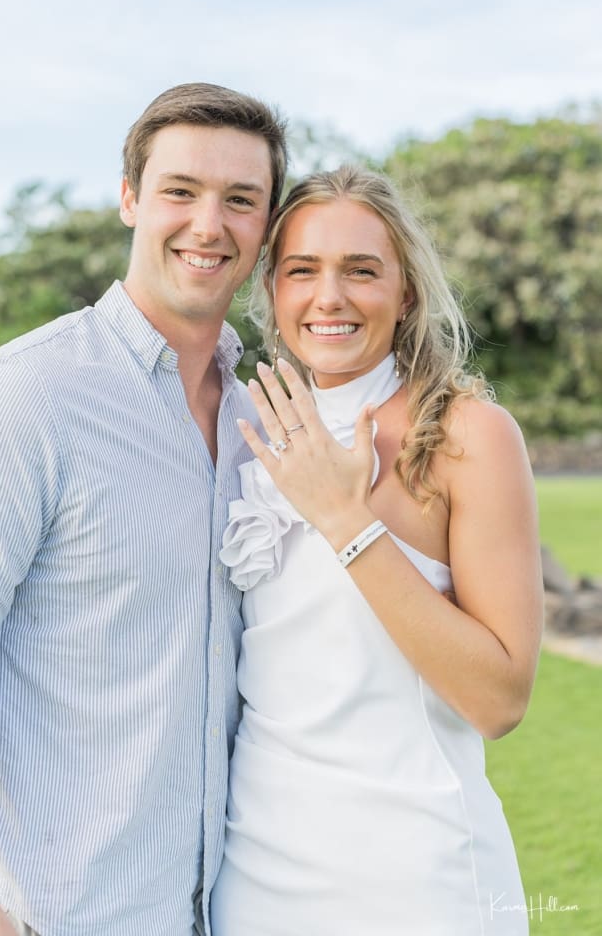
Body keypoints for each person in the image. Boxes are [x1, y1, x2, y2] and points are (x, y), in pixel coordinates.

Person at [0, 82, 287, 936]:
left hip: (225, 911)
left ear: (264, 227)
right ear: (129, 199)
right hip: (64, 916)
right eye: (180, 192)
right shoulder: (28, 396)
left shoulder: (261, 419)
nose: (209, 224)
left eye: (240, 200)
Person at [210, 165, 543, 935]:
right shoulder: (244, 426)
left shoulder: (468, 438)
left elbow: (498, 701)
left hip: (414, 878)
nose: (328, 297)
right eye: (302, 271)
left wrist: (346, 522)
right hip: (255, 876)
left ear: (405, 293)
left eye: (361, 270)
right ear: (272, 290)